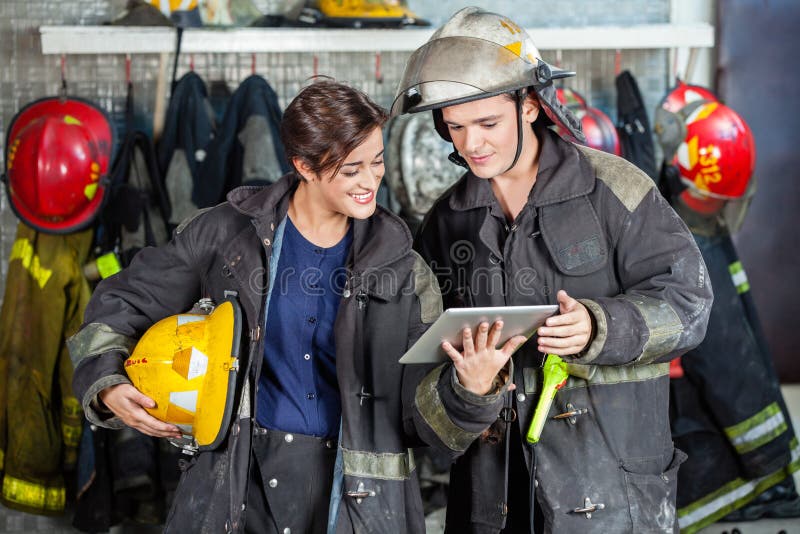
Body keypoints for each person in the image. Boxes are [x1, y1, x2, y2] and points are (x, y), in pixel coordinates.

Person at [68, 80, 524, 533]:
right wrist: (107, 382)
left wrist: (472, 388)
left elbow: (422, 423)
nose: (370, 182)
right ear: (304, 165)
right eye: (351, 170)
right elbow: (123, 300)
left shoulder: (403, 267)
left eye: (378, 162)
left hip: (358, 510)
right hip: (235, 499)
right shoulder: (225, 236)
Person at [392, 7, 713, 533]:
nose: (471, 145)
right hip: (494, 497)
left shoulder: (615, 190)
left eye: (487, 123)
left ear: (532, 106)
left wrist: (599, 327)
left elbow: (689, 304)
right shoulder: (447, 222)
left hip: (610, 492)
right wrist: (468, 387)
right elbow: (422, 359)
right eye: (455, 127)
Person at [653, 86, 800, 532]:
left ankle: (770, 474)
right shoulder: (684, 242)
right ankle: (766, 475)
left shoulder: (701, 231)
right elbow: (727, 366)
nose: (715, 209)